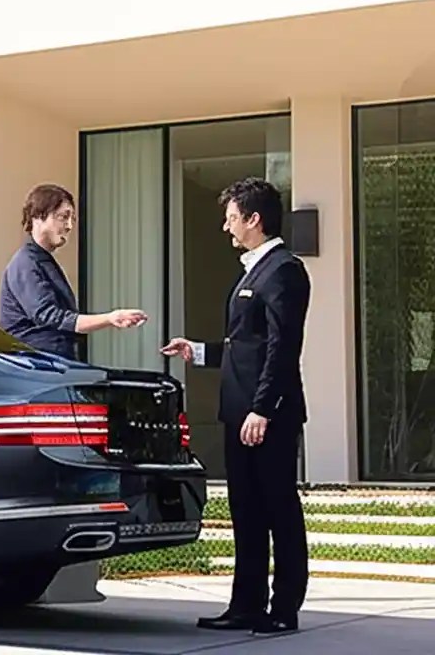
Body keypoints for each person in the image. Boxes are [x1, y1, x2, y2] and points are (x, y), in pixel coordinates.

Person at [161, 177, 311, 636]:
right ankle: (245, 605)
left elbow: (283, 350)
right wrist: (199, 353)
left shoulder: (284, 270)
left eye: (231, 219)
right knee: (245, 512)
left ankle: (284, 607)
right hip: (239, 413)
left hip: (267, 416)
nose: (226, 229)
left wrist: (263, 409)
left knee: (278, 509)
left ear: (254, 219)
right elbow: (246, 346)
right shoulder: (252, 271)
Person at [0, 183, 147, 359]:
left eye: (72, 219)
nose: (69, 226)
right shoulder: (25, 263)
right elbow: (52, 317)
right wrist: (110, 318)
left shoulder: (42, 260)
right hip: (35, 367)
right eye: (63, 217)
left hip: (48, 364)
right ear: (38, 216)